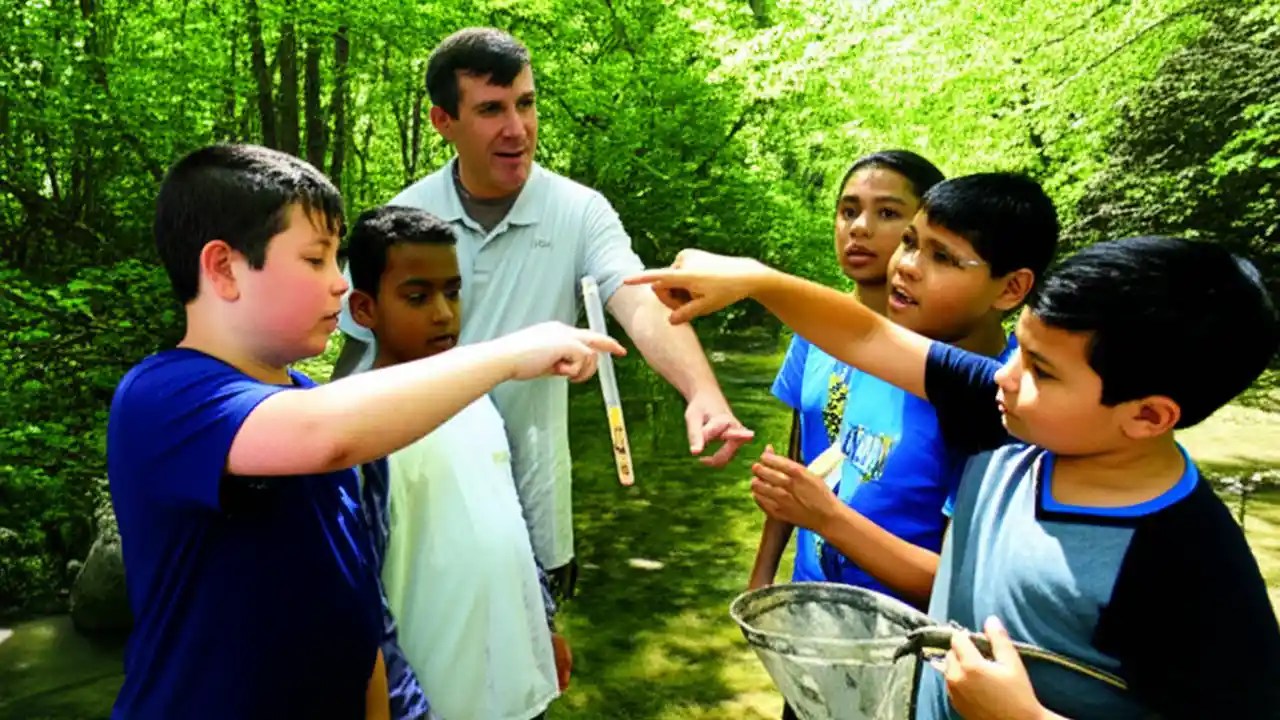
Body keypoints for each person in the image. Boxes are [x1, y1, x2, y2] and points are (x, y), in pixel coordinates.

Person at [625, 238, 1280, 718]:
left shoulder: (1189, 564)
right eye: (1018, 347)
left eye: (1042, 369)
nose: (1005, 373)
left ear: (1149, 416)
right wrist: (757, 281)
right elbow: (867, 336)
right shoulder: (1012, 422)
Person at [106, 143, 622, 720]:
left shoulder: (314, 399)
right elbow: (324, 436)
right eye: (315, 259)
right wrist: (508, 354)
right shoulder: (163, 396)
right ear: (224, 268)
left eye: (338, 259)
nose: (338, 284)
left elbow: (357, 611)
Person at [332, 28, 753, 596]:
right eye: (490, 109)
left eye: (525, 104)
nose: (517, 128)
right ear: (443, 122)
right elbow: (354, 361)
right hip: (412, 514)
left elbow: (636, 301)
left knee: (535, 678)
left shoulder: (578, 211)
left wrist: (701, 391)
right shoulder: (401, 218)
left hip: (531, 519)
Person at [345, 205, 569, 720]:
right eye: (417, 297)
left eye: (453, 291)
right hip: (437, 699)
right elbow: (361, 605)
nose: (444, 313)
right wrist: (405, 706)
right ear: (364, 308)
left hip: (518, 686)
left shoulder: (475, 397)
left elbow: (508, 524)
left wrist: (544, 629)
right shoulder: (357, 429)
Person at [752, 150, 946, 594]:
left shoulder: (951, 363)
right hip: (811, 598)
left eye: (888, 212)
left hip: (906, 621)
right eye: (849, 211)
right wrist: (763, 576)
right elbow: (800, 465)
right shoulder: (813, 334)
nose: (859, 228)